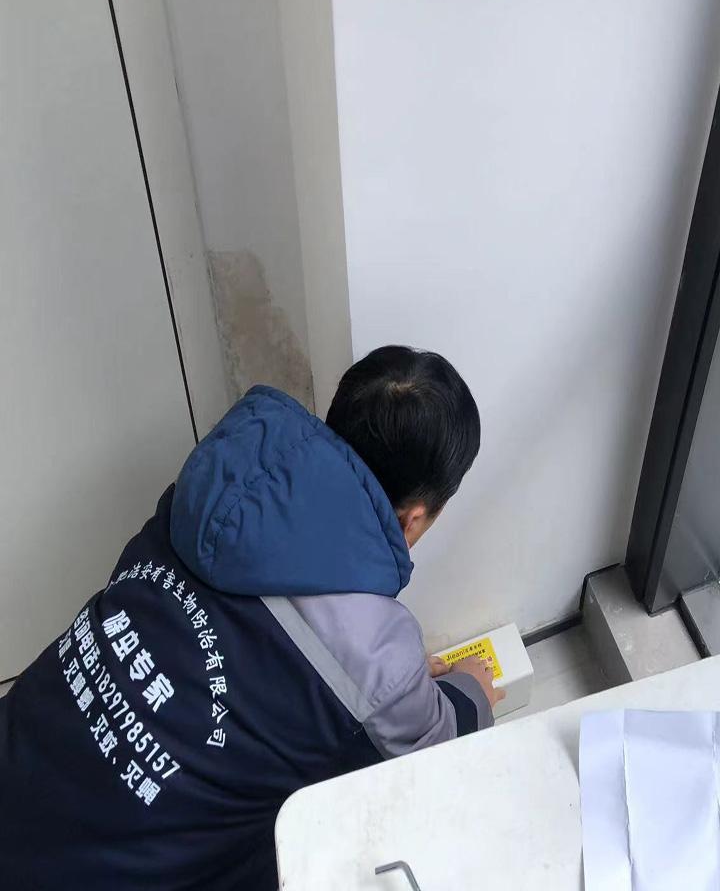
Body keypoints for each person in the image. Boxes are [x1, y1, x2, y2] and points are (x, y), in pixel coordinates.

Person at [0, 345, 501, 890]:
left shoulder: (218, 485)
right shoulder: (376, 651)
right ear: (414, 519)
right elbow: (432, 761)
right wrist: (471, 693)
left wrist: (391, 690)